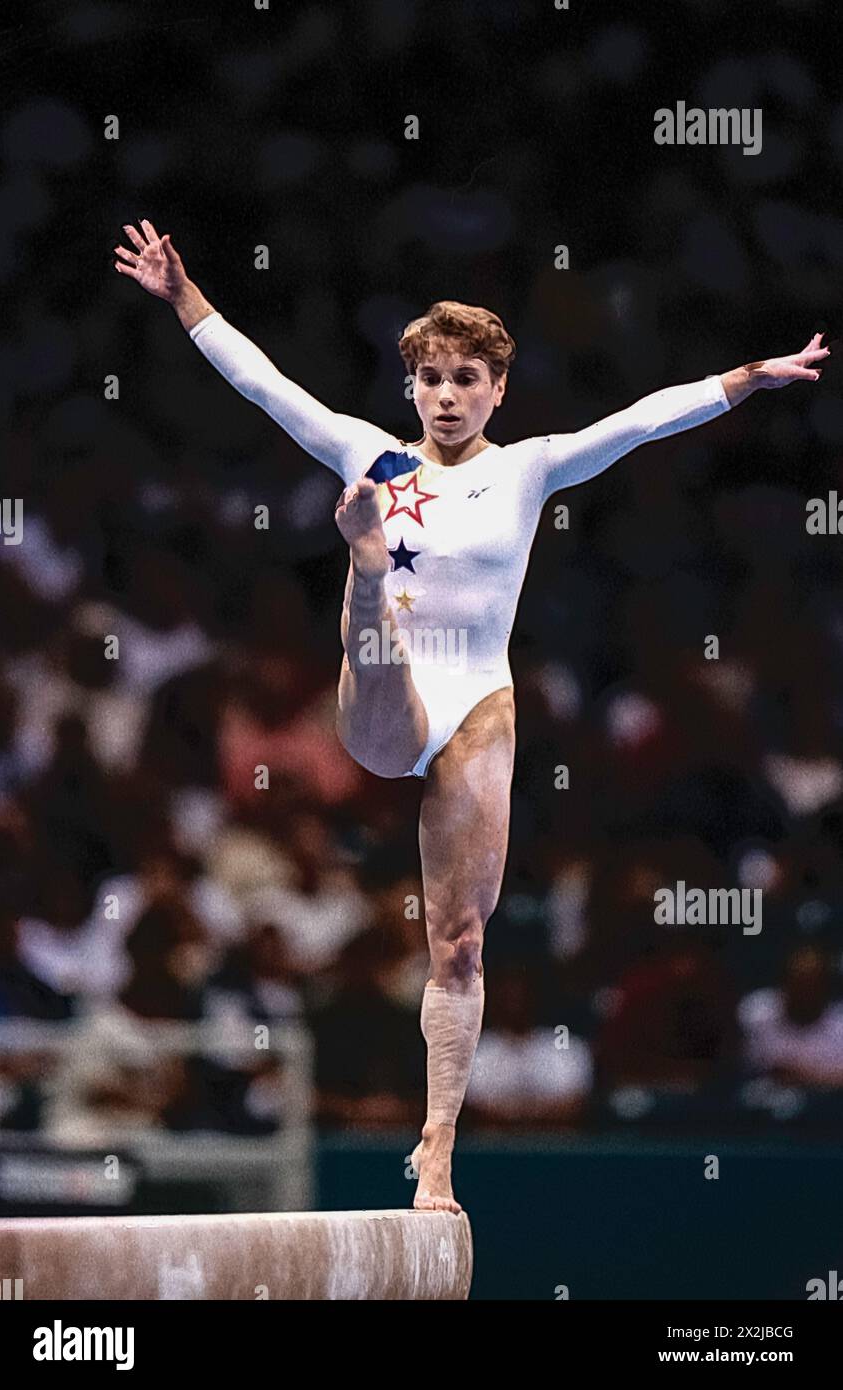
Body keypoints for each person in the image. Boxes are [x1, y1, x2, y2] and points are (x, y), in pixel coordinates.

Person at [114, 217, 829, 1212]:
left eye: (465, 378)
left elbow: (636, 422)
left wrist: (745, 378)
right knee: (378, 653)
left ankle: (435, 1150)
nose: (446, 395)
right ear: (408, 386)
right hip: (382, 693)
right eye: (430, 378)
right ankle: (364, 575)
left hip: (477, 704)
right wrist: (182, 296)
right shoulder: (367, 452)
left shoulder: (527, 466)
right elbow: (261, 384)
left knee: (458, 942)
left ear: (496, 386)